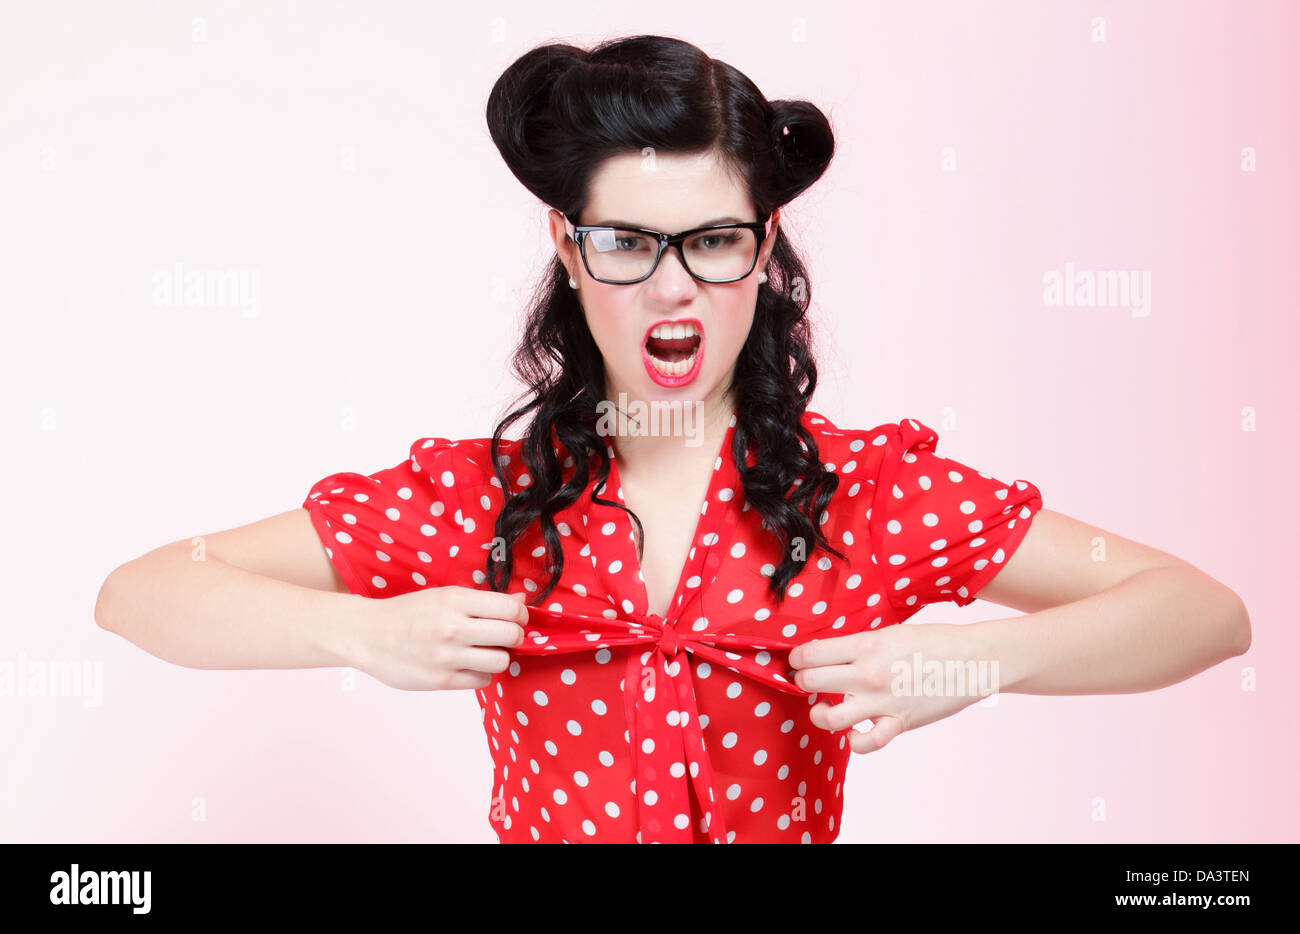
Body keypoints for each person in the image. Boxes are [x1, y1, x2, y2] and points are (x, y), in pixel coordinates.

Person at [94, 35, 1251, 844]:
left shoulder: (864, 493)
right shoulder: (481, 500)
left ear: (764, 241)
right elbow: (142, 592)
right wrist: (355, 631)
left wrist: (965, 663)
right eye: (627, 243)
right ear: (566, 242)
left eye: (710, 239)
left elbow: (1203, 612)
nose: (672, 287)